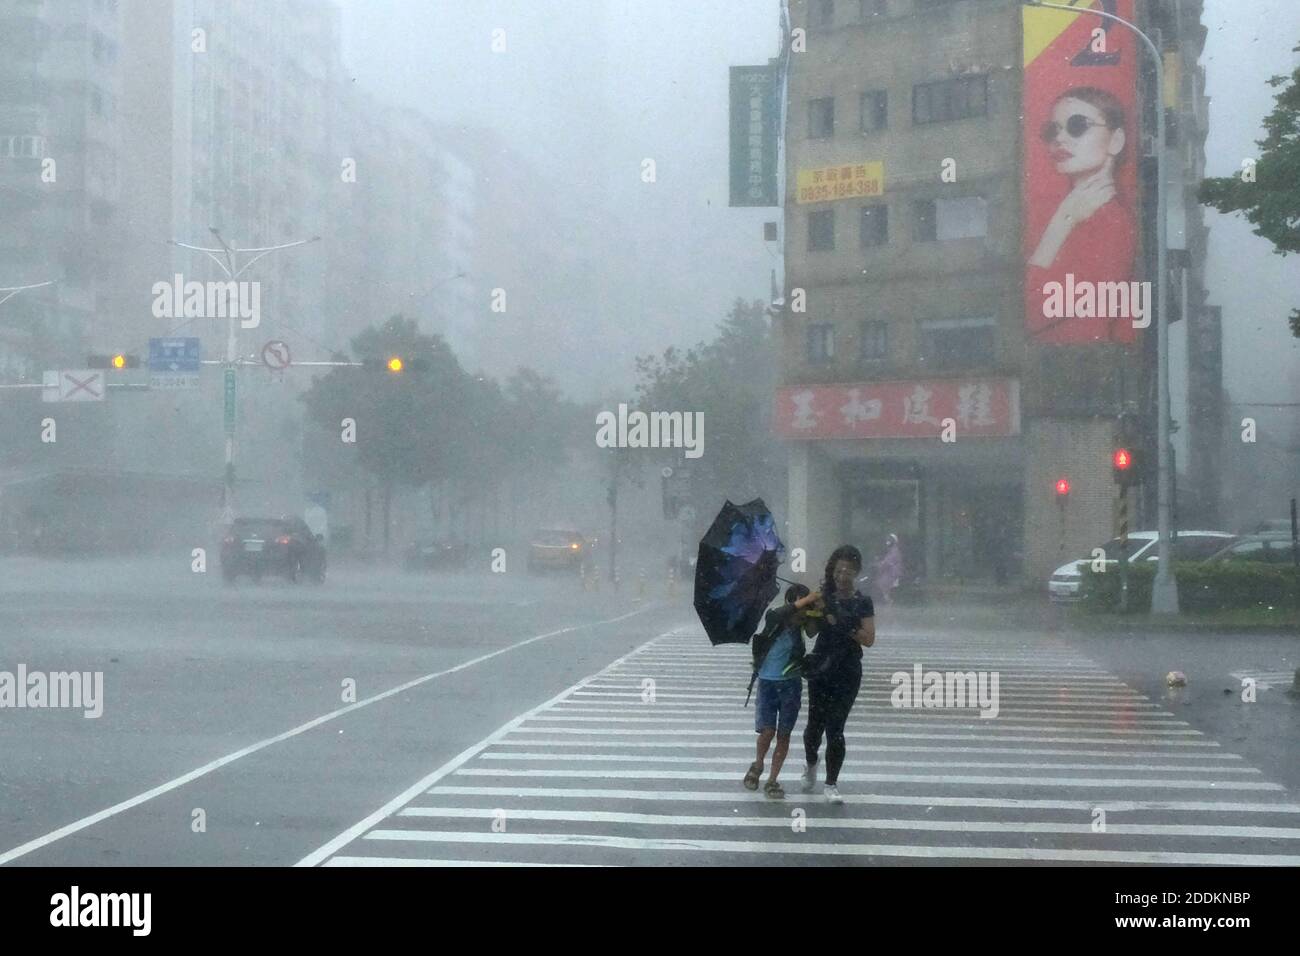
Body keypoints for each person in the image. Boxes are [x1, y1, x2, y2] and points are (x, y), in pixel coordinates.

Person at [1027, 86, 1136, 343]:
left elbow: (1027, 312)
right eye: (1052, 130)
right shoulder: (1053, 213)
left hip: (1077, 367)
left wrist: (1061, 222)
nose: (1060, 139)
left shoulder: (1113, 224)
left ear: (1116, 140)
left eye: (1077, 125)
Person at [796, 546, 875, 804]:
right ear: (832, 571)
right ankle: (810, 763)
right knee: (814, 727)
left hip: (848, 670)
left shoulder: (863, 602)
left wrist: (839, 621)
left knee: (836, 729)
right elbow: (810, 632)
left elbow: (868, 638)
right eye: (839, 570)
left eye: (849, 571)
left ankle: (831, 783)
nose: (843, 576)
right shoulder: (823, 597)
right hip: (821, 668)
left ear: (857, 573)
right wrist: (810, 610)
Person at [743, 584, 817, 799]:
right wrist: (803, 603)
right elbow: (779, 614)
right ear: (792, 602)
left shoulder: (801, 628)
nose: (804, 610)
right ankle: (758, 765)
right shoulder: (774, 619)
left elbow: (814, 630)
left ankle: (773, 780)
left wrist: (818, 607)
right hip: (767, 683)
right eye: (801, 604)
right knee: (768, 731)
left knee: (784, 734)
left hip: (791, 685)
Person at [871, 533, 903, 606]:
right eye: (887, 540)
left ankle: (889, 600)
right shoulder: (892, 550)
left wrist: (879, 564)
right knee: (881, 583)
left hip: (892, 573)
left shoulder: (894, 551)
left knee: (882, 583)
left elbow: (887, 562)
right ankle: (888, 600)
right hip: (890, 572)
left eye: (889, 540)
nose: (887, 542)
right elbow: (886, 561)